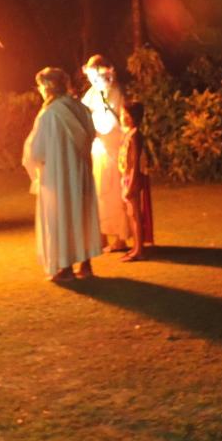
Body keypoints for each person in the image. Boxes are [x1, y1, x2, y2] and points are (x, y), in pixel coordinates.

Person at [23, 66, 101, 282]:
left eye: (40, 86)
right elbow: (90, 135)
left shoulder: (49, 114)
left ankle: (65, 267)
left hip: (58, 175)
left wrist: (36, 164)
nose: (39, 90)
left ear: (47, 87)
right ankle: (85, 264)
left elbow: (36, 150)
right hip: (80, 172)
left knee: (61, 217)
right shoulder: (80, 108)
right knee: (81, 215)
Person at [82, 55, 130, 252]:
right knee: (98, 194)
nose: (94, 79)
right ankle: (100, 235)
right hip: (98, 149)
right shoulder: (92, 94)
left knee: (115, 195)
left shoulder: (116, 92)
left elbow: (120, 119)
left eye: (97, 74)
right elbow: (83, 113)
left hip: (113, 149)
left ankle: (120, 238)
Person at [118, 101, 155, 262]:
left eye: (125, 115)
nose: (123, 118)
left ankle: (139, 249)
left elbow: (134, 161)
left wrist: (132, 183)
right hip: (127, 177)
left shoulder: (135, 135)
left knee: (135, 214)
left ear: (133, 117)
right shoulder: (130, 133)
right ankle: (136, 247)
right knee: (131, 213)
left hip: (133, 178)